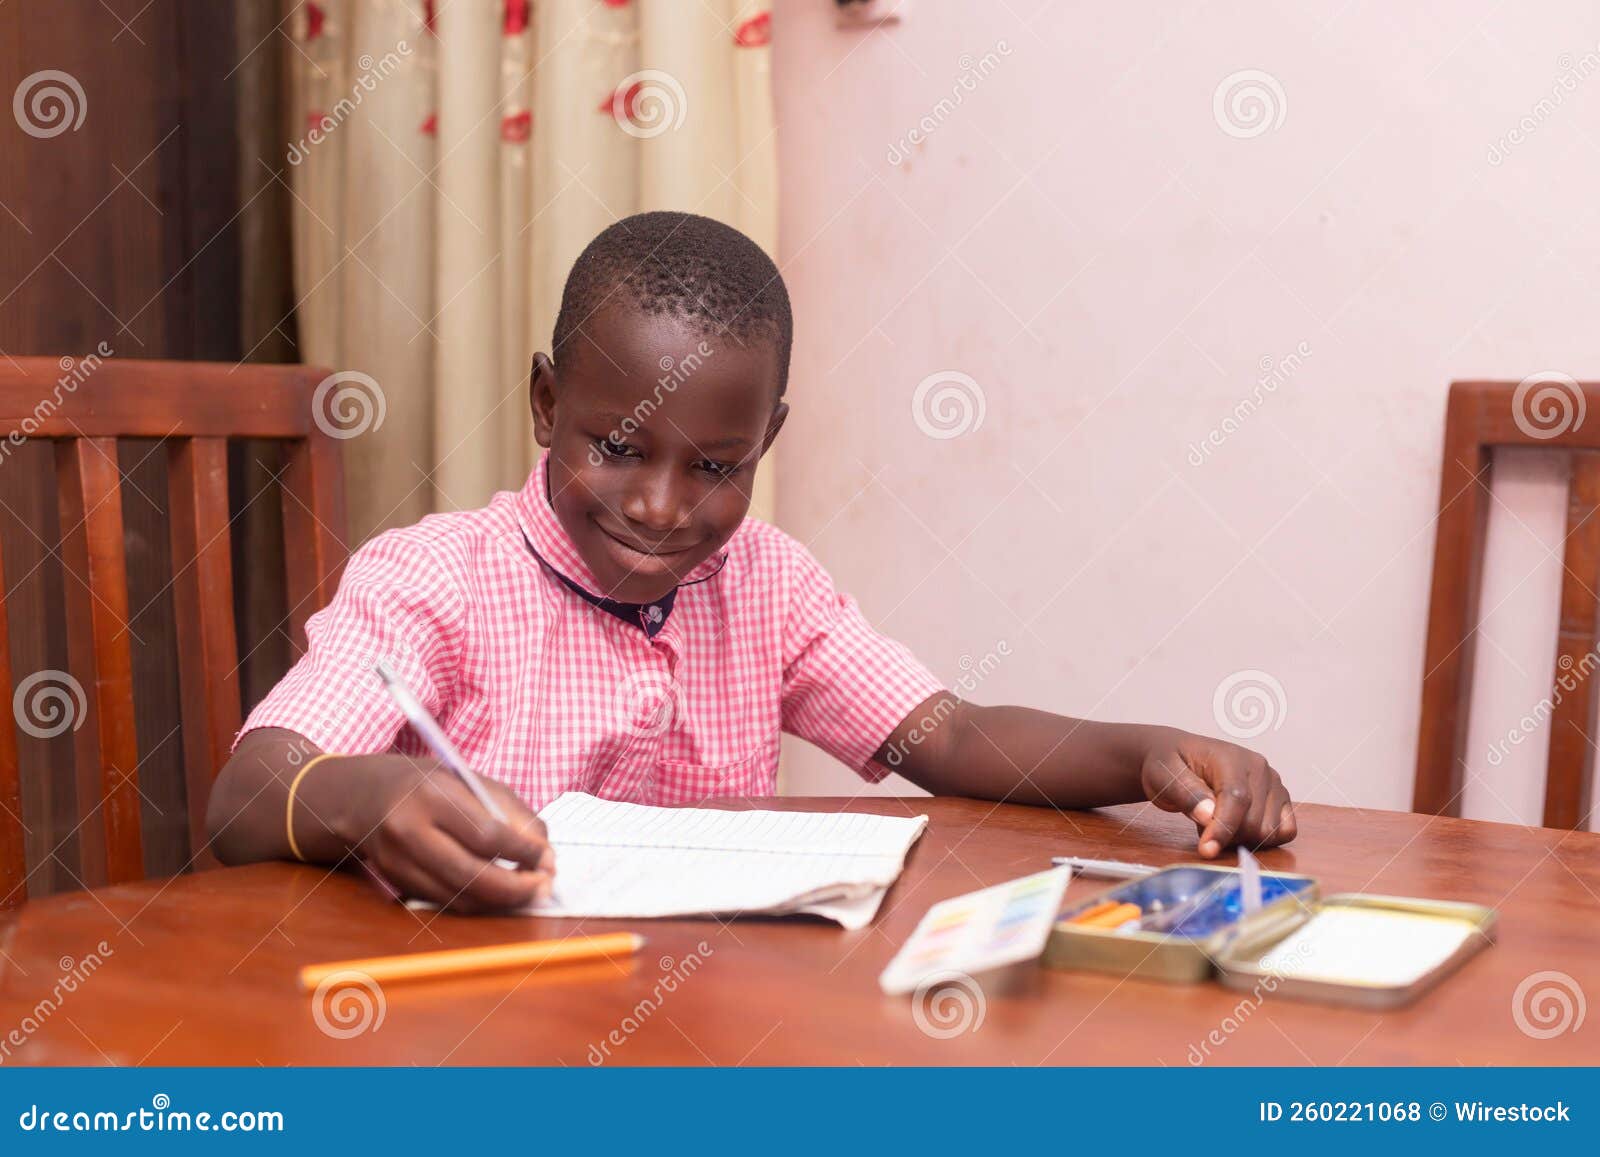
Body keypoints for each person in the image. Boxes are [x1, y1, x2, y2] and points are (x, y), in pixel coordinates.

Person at [207, 211, 1296, 913]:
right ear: (547, 404)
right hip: (468, 1037)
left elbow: (951, 735)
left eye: (715, 466)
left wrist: (1148, 750)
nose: (658, 505)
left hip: (696, 1028)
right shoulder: (431, 580)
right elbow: (245, 797)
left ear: (766, 441)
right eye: (618, 446)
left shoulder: (766, 585)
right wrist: (366, 793)